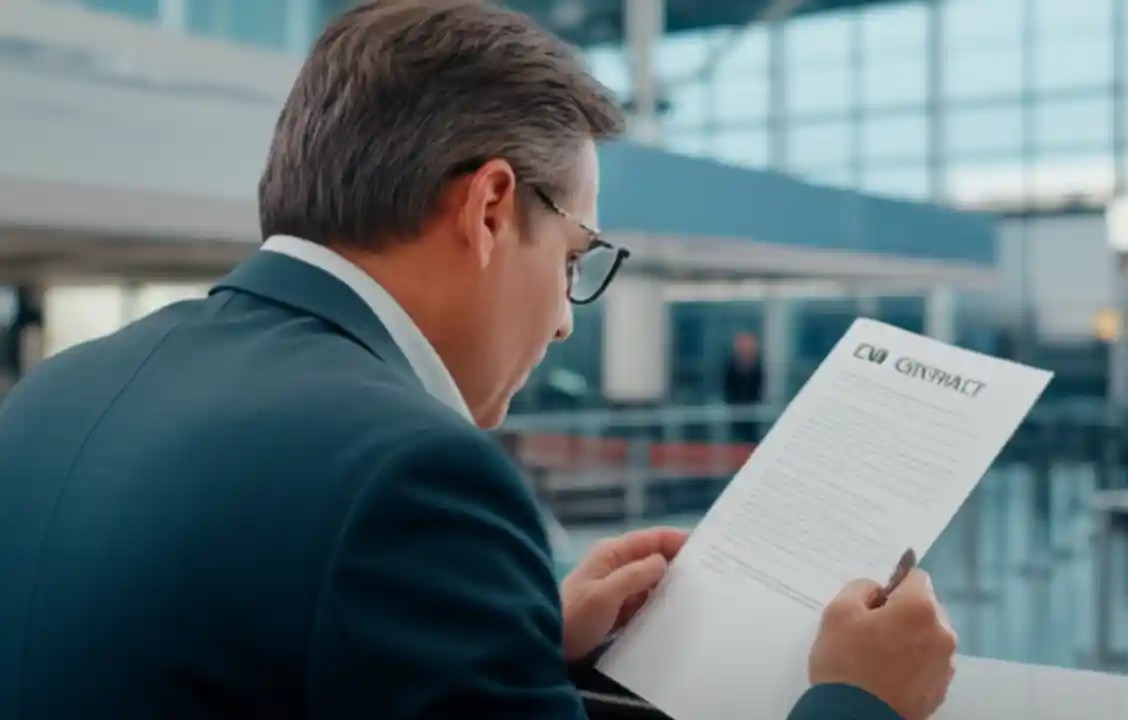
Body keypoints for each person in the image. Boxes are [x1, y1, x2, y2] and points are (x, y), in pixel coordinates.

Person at [0, 2, 956, 719]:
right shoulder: (410, 474)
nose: (566, 325)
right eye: (577, 257)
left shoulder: (62, 392)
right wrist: (859, 702)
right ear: (491, 208)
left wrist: (523, 637)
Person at [723, 330, 765, 442]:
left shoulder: (758, 367)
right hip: (734, 411)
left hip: (753, 413)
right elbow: (728, 388)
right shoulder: (731, 366)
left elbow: (759, 390)